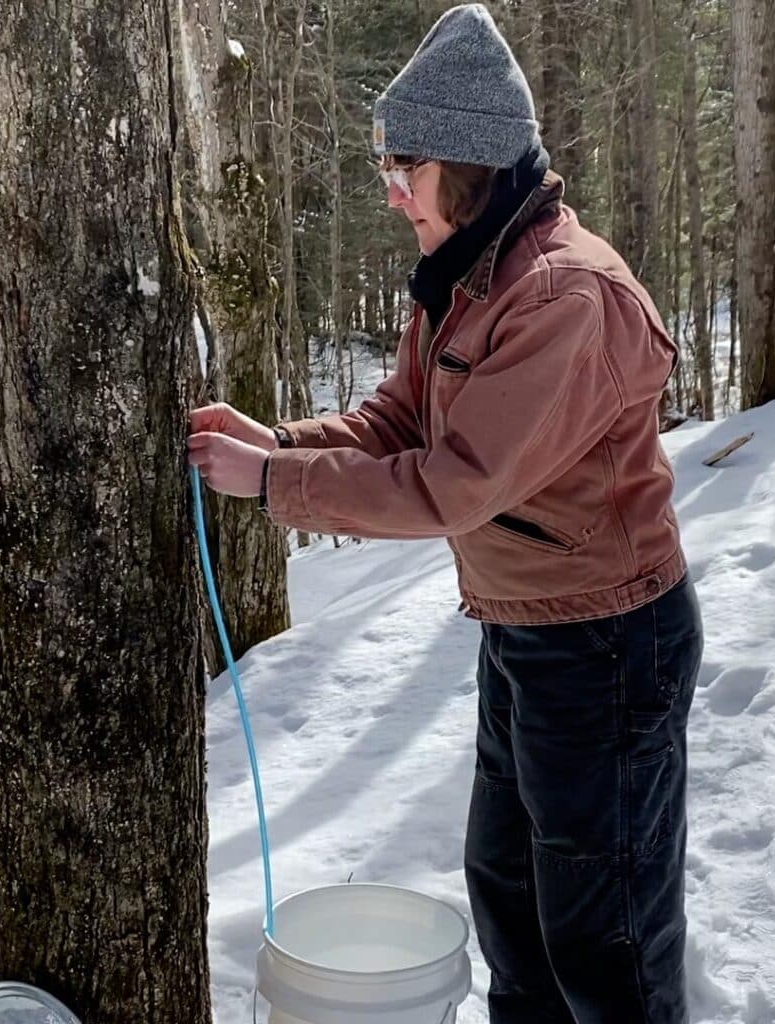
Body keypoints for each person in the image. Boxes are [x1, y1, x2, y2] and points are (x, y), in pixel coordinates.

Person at [187, 4, 704, 1021]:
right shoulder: (469, 275)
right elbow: (398, 421)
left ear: (467, 164)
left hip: (605, 644)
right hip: (525, 630)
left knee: (603, 937)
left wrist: (272, 485)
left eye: (405, 171)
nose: (391, 196)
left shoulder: (562, 296)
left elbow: (454, 481)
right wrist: (278, 442)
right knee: (510, 900)